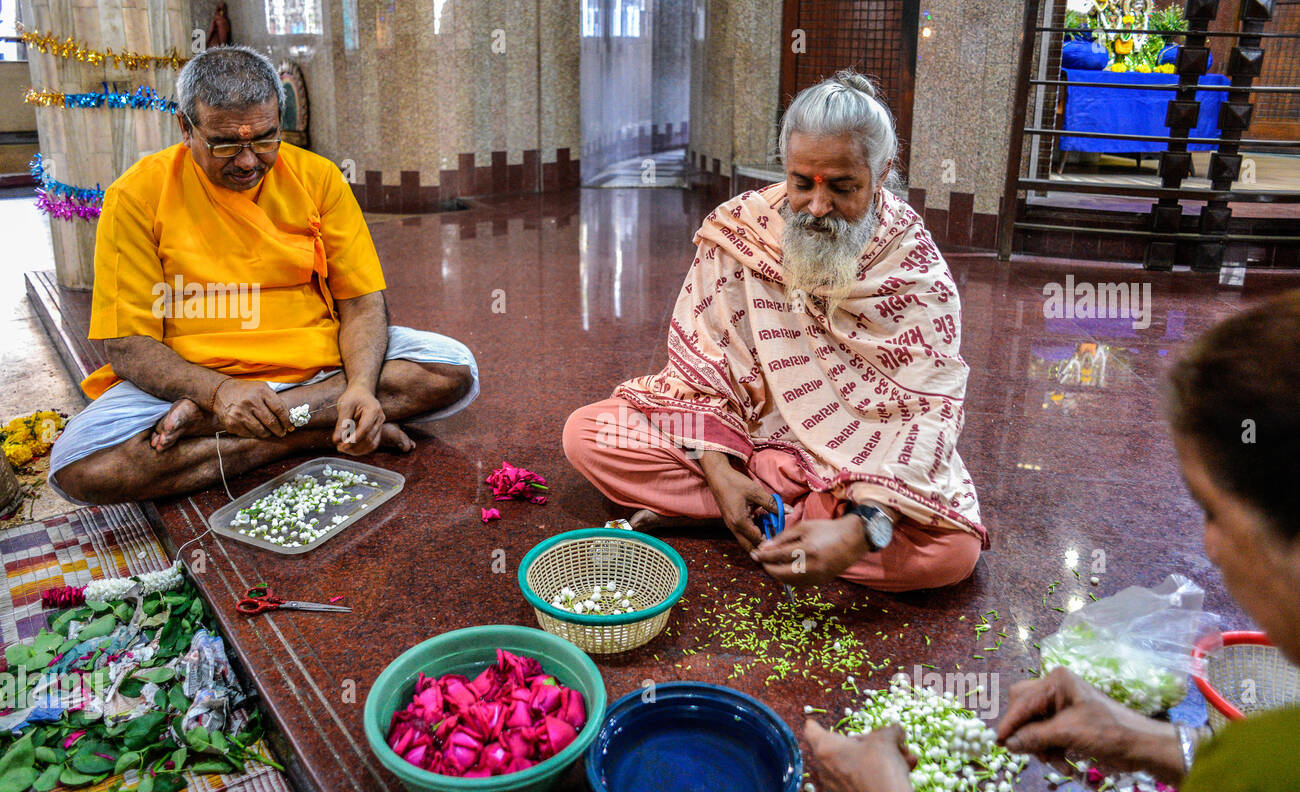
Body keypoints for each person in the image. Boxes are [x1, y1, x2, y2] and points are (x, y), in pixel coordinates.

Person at [805, 289, 1300, 792]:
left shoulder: (1258, 789)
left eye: (1213, 510)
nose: (1209, 545)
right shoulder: (1258, 767)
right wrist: (1143, 741)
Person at [563, 71, 985, 592]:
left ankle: (781, 523)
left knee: (949, 553)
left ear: (882, 174)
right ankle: (768, 513)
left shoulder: (916, 272)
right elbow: (704, 369)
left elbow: (924, 417)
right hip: (747, 438)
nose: (817, 207)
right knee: (590, 434)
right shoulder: (743, 229)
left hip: (855, 460)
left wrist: (860, 529)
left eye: (843, 187)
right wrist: (720, 470)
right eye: (802, 182)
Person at [50, 46, 478, 504]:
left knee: (450, 369)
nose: (249, 161)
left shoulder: (318, 177)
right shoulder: (135, 197)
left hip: (319, 369)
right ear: (185, 128)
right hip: (197, 377)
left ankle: (226, 433)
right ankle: (310, 435)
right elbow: (128, 345)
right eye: (226, 144)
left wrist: (357, 386)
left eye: (265, 139)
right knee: (81, 468)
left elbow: (361, 301)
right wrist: (219, 392)